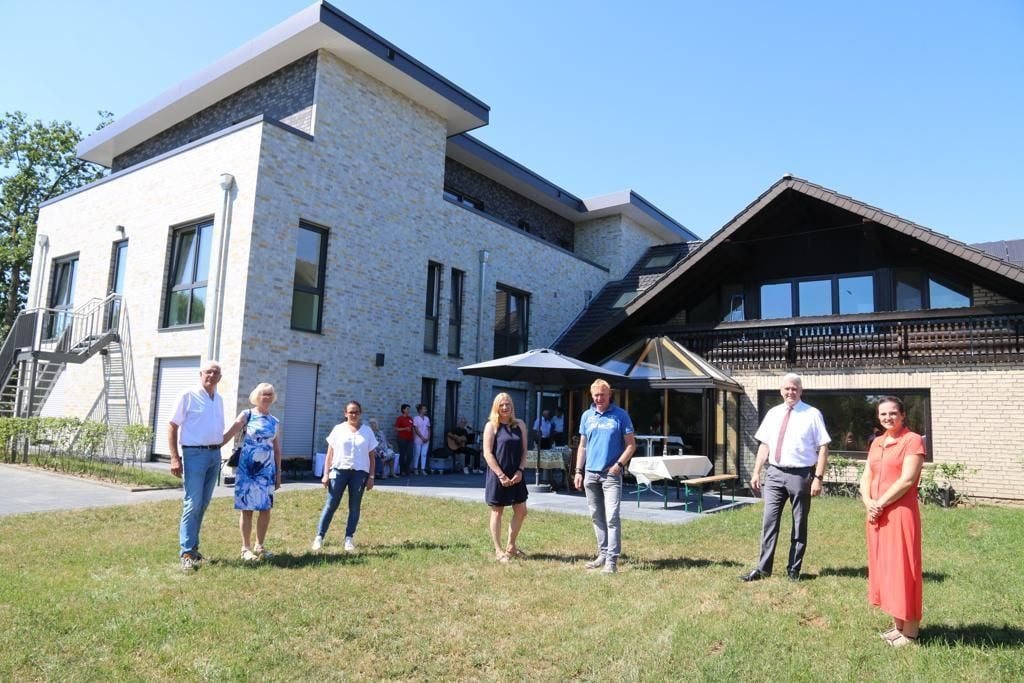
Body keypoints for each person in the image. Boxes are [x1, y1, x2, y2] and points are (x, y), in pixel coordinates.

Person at [741, 372, 830, 582]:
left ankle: (793, 569)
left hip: (801, 475)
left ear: (801, 391)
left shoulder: (812, 414)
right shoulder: (773, 413)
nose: (791, 392)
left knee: (799, 522)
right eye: (787, 388)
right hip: (774, 473)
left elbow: (824, 448)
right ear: (781, 390)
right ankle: (763, 569)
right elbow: (765, 445)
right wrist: (756, 471)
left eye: (795, 389)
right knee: (769, 522)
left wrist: (818, 478)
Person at [859, 396, 925, 647]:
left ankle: (911, 632)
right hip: (877, 514)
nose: (888, 418)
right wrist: (869, 502)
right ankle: (898, 626)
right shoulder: (877, 442)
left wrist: (880, 503)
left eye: (893, 413)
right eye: (883, 414)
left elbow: (907, 479)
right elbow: (866, 475)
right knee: (886, 568)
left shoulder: (912, 440)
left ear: (903, 415)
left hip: (899, 513)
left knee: (904, 568)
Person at [168, 360, 227, 572]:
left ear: (220, 377)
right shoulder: (188, 395)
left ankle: (193, 549)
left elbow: (218, 431)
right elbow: (172, 426)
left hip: (214, 455)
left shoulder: (219, 399)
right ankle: (186, 552)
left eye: (216, 373)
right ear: (200, 374)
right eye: (208, 372)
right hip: (194, 454)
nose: (211, 375)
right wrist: (174, 458)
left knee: (203, 504)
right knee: (192, 503)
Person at [573, 379, 636, 574]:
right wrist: (578, 471)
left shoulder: (620, 415)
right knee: (596, 516)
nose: (599, 398)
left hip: (610, 476)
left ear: (610, 395)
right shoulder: (587, 416)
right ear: (591, 396)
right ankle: (602, 553)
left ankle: (611, 561)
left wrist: (619, 465)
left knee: (612, 517)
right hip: (590, 474)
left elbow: (631, 445)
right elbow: (583, 446)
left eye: (602, 394)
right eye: (596, 395)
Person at [222, 383, 282, 561]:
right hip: (247, 469)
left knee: (265, 508)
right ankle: (245, 548)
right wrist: (215, 445)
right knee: (247, 508)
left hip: (267, 470)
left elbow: (277, 449)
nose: (267, 397)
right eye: (264, 394)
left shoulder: (274, 421)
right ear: (257, 396)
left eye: (270, 394)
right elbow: (231, 432)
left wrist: (279, 473)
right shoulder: (247, 415)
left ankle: (260, 546)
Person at [312, 401, 377, 553]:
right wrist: (325, 474)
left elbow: (372, 457)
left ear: (360, 413)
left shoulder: (367, 431)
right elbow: (330, 454)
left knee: (354, 507)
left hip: (359, 473)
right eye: (351, 412)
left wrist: (371, 476)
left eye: (356, 412)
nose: (353, 414)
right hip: (339, 471)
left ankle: (349, 538)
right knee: (331, 504)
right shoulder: (338, 429)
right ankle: (319, 537)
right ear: (345, 413)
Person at [482, 393, 529, 562]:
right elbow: (487, 453)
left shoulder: (520, 424)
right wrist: (501, 475)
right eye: (501, 405)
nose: (505, 407)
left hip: (517, 475)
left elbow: (524, 450)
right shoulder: (491, 426)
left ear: (512, 406)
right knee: (497, 512)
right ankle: (498, 550)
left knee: (521, 511)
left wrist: (520, 470)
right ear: (496, 407)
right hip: (498, 475)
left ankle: (511, 546)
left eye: (507, 404)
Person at [394, 404, 413, 477]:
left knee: (410, 454)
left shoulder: (410, 418)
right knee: (402, 454)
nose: (408, 410)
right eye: (407, 409)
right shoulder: (399, 418)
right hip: (402, 439)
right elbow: (396, 428)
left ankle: (407, 469)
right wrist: (405, 429)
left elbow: (412, 427)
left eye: (409, 409)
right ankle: (402, 470)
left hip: (410, 439)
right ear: (403, 410)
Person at [412, 403, 431, 475]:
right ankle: (415, 468)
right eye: (424, 409)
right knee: (417, 453)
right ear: (420, 410)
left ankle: (423, 468)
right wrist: (422, 437)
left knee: (424, 454)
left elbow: (429, 428)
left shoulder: (427, 418)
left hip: (426, 439)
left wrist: (428, 437)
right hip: (418, 439)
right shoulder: (416, 418)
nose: (425, 410)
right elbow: (416, 429)